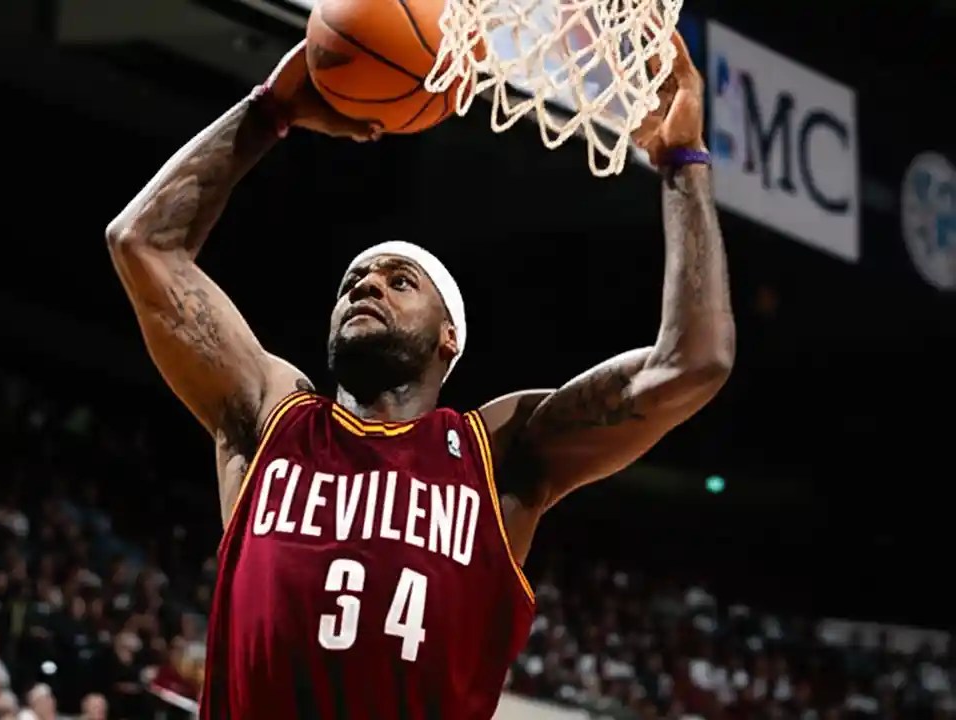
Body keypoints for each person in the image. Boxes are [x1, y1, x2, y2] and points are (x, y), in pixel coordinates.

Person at [106, 33, 733, 720]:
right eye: (353, 281)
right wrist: (268, 110)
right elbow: (141, 244)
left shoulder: (499, 454)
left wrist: (682, 163)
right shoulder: (270, 416)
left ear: (449, 337)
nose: (366, 285)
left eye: (397, 280)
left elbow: (691, 362)